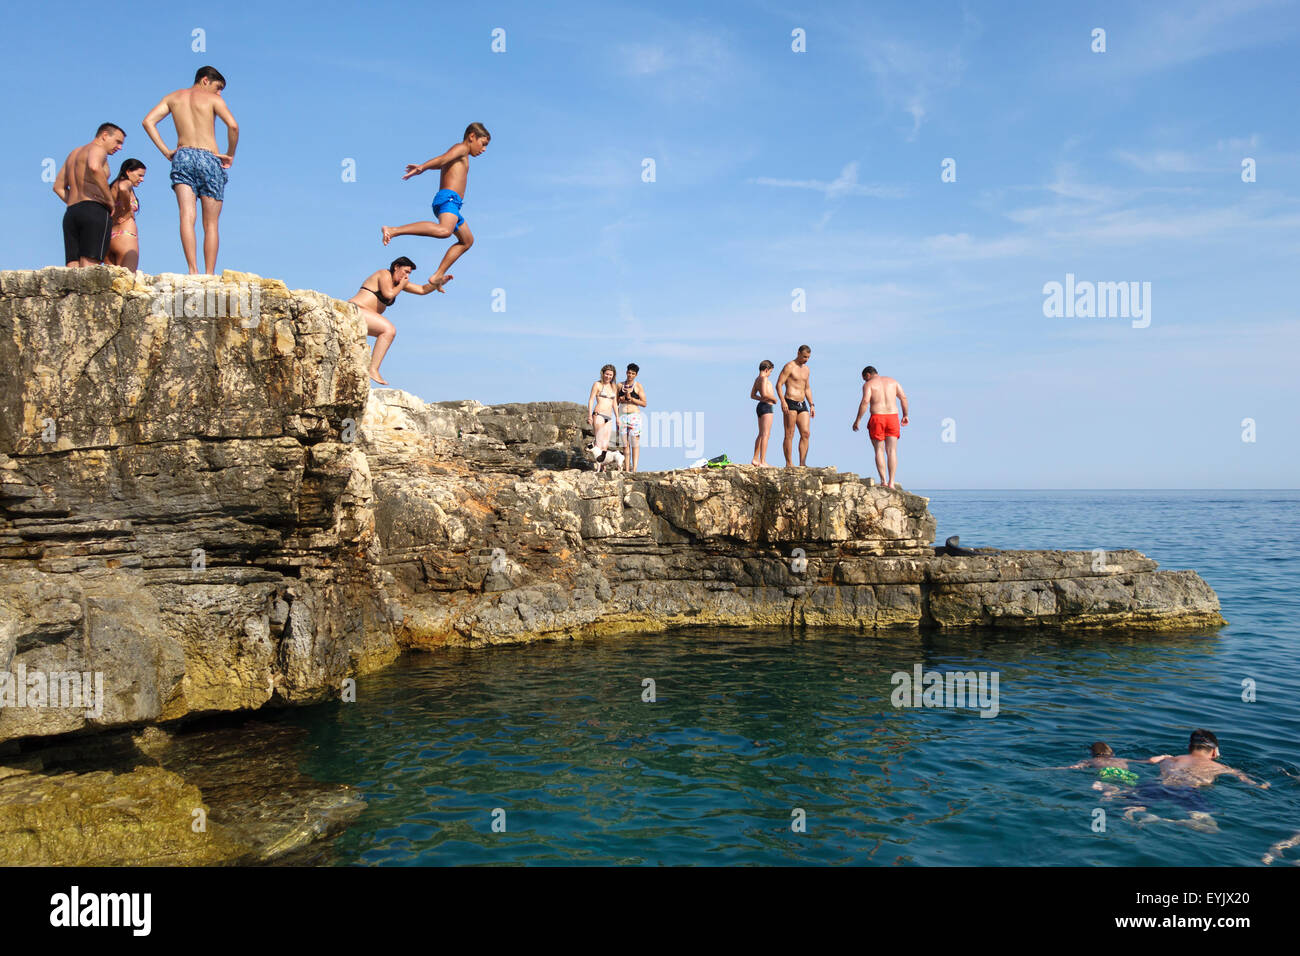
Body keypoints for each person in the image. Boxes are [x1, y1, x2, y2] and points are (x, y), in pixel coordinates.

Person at [142, 65, 239, 275]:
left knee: (186, 214)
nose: (219, 92)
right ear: (205, 80)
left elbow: (148, 121)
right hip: (208, 157)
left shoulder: (173, 97)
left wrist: (166, 151)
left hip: (183, 155)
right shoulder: (213, 100)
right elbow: (233, 126)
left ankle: (192, 270)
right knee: (211, 223)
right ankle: (209, 273)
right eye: (218, 86)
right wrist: (230, 154)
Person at [381, 123, 491, 293]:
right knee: (444, 231)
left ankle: (438, 275)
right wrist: (422, 167)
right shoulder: (461, 148)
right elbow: (443, 158)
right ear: (471, 137)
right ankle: (394, 230)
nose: (483, 149)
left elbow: (441, 164)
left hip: (454, 204)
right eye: (483, 144)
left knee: (467, 241)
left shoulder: (462, 154)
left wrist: (428, 166)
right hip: (449, 198)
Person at [1102, 730, 1269, 831]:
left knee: (1123, 811)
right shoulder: (1221, 767)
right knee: (1211, 828)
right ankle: (1163, 821)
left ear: (1189, 747)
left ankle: (1136, 813)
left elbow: (1148, 761)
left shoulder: (1171, 759)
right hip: (1186, 792)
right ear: (1214, 752)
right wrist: (1262, 785)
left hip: (1156, 786)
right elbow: (1251, 782)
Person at [348, 257, 443, 385]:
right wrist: (402, 286)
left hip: (364, 315)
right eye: (406, 271)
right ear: (396, 267)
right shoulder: (384, 274)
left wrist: (437, 283)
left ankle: (373, 368)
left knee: (387, 332)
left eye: (409, 273)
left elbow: (422, 290)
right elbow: (388, 294)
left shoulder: (398, 284)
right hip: (354, 310)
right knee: (388, 330)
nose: (407, 276)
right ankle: (373, 369)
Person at [53, 123, 125, 267]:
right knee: (90, 268)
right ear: (104, 135)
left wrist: (76, 202)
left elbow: (58, 187)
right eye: (118, 142)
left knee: (72, 268)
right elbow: (94, 167)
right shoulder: (98, 149)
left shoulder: (74, 153)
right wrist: (109, 200)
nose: (120, 147)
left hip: (72, 212)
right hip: (94, 211)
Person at [852, 365, 909, 488]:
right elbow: (903, 398)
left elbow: (865, 402)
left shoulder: (869, 385)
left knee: (879, 450)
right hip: (892, 416)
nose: (865, 381)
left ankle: (883, 481)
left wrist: (858, 420)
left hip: (878, 417)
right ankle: (892, 482)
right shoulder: (893, 382)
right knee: (892, 451)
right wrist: (905, 415)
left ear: (867, 375)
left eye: (865, 379)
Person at [776, 345, 815, 467]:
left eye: (808, 357)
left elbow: (807, 387)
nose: (806, 359)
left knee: (806, 433)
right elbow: (779, 384)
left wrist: (812, 404)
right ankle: (789, 463)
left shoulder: (807, 369)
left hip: (802, 403)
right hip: (790, 402)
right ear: (798, 353)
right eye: (804, 356)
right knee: (789, 433)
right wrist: (783, 401)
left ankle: (802, 463)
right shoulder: (789, 366)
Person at [106, 159, 147, 271]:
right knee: (127, 281)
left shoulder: (112, 186)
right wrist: (129, 211)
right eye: (139, 175)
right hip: (126, 236)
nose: (141, 179)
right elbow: (123, 188)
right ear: (128, 172)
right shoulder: (125, 182)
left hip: (109, 238)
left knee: (111, 284)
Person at [617, 364, 647, 471]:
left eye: (633, 373)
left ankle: (634, 469)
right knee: (625, 444)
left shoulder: (638, 386)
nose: (630, 375)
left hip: (634, 416)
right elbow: (615, 402)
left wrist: (632, 399)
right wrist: (621, 398)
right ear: (626, 372)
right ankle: (626, 468)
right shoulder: (620, 385)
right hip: (622, 416)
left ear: (636, 375)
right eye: (629, 373)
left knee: (635, 443)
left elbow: (644, 403)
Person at [750, 360, 776, 466]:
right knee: (766, 434)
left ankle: (755, 459)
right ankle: (763, 461)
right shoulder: (764, 378)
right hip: (767, 407)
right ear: (766, 370)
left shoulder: (757, 379)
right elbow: (765, 394)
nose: (770, 374)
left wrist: (762, 399)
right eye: (770, 372)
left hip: (760, 406)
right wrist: (773, 399)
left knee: (761, 434)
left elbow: (752, 395)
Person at [587, 365, 618, 454]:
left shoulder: (614, 387)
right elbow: (591, 400)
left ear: (613, 376)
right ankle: (598, 466)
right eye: (606, 374)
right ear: (603, 374)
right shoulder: (597, 384)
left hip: (609, 416)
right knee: (599, 441)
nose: (608, 376)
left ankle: (603, 467)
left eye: (610, 375)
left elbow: (614, 403)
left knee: (605, 444)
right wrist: (589, 416)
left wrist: (617, 418)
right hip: (598, 414)